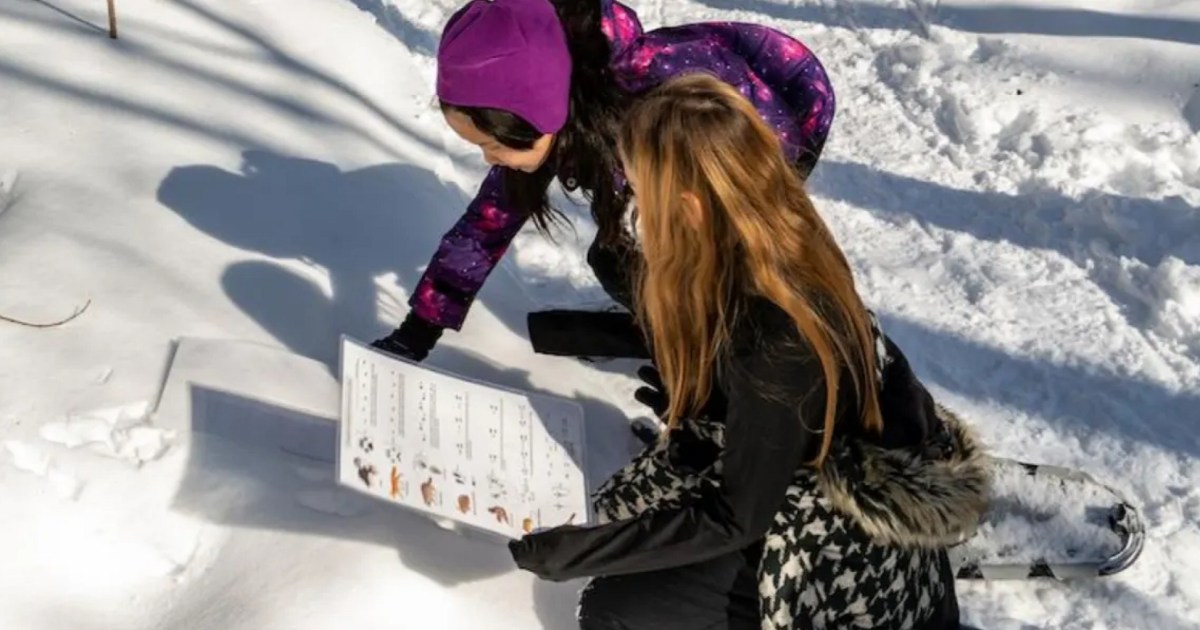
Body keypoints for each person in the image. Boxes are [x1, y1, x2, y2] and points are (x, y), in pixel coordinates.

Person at [506, 73, 991, 629]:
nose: (632, 205)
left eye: (639, 191)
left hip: (835, 555)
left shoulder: (775, 336)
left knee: (616, 612)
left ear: (687, 208)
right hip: (794, 485)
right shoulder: (771, 239)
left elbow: (737, 515)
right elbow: (707, 345)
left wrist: (574, 554)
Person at [371, 0, 836, 361]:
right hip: (652, 149)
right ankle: (672, 336)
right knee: (617, 258)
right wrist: (419, 329)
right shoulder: (557, 98)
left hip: (768, 127)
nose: (492, 160)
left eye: (496, 146)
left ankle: (709, 365)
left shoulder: (662, 114)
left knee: (708, 267)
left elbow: (764, 219)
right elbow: (485, 225)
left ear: (538, 119)